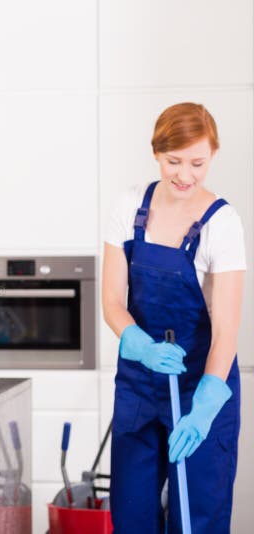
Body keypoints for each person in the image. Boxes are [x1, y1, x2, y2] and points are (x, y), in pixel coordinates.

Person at [102, 102, 244, 532]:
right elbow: (111, 300)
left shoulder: (223, 223)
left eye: (197, 163)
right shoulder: (130, 206)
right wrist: (139, 345)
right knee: (132, 516)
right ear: (156, 153)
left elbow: (226, 333)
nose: (185, 174)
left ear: (213, 155)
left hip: (202, 383)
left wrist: (204, 406)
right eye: (173, 161)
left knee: (196, 519)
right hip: (139, 386)